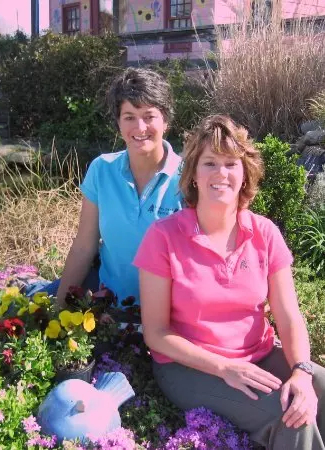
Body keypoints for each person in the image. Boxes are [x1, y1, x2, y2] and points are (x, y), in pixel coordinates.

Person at [134, 115, 325, 449]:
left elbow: (288, 315)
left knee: (314, 392)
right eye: (209, 163)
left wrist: (301, 372)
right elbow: (156, 333)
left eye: (230, 164)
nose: (220, 173)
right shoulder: (162, 238)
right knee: (292, 416)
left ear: (244, 173)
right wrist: (224, 367)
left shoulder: (265, 233)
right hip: (190, 367)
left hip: (259, 356)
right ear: (193, 174)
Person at [40, 67, 184, 311]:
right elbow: (85, 246)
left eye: (149, 116)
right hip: (109, 306)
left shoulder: (188, 177)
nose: (140, 127)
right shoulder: (101, 169)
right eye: (129, 117)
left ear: (166, 120)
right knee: (24, 307)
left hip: (167, 315)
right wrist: (59, 311)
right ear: (118, 123)